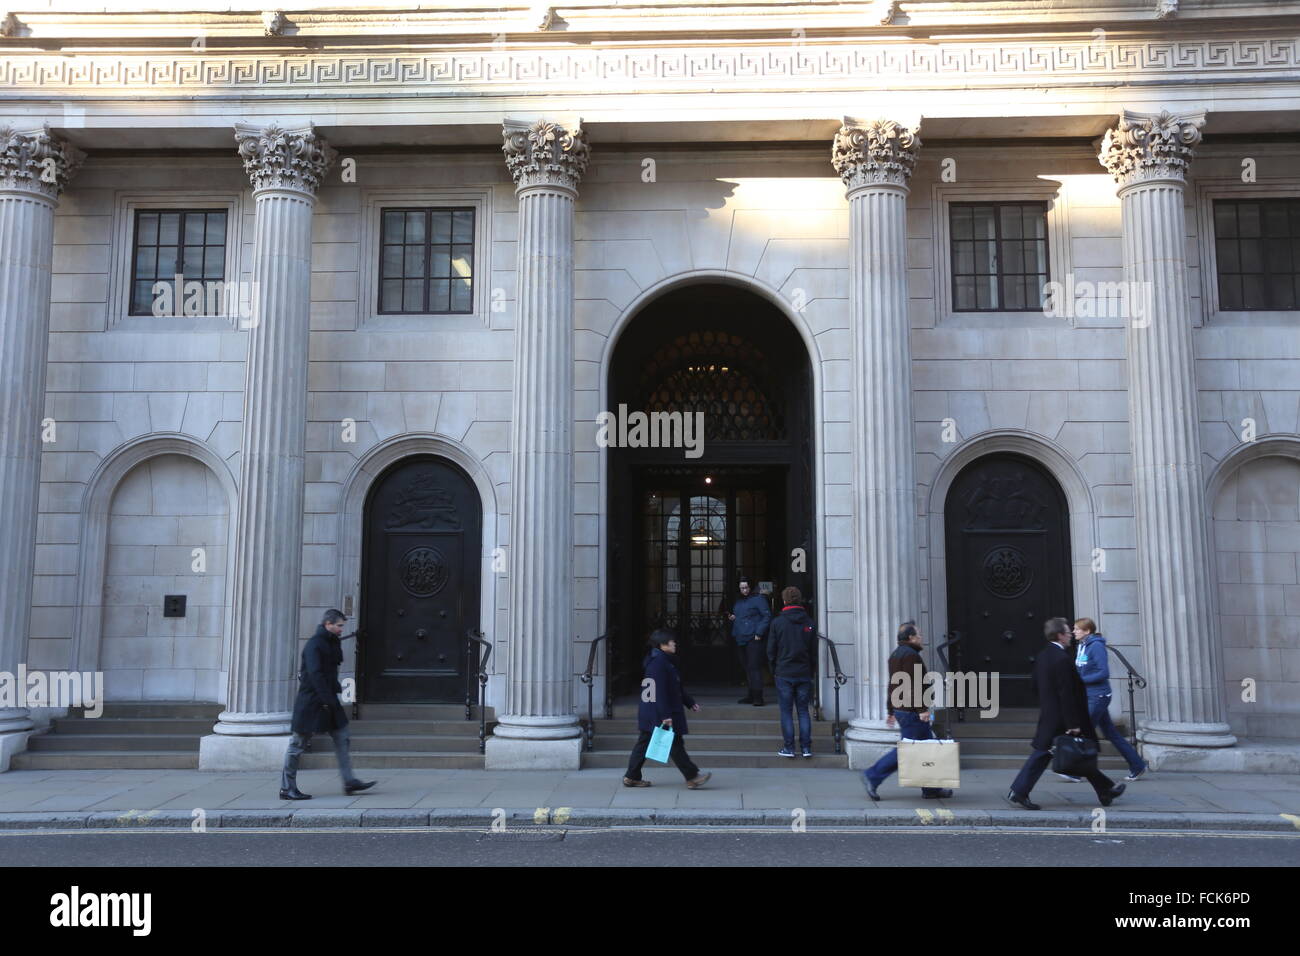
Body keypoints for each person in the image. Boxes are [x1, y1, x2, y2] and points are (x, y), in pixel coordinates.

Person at [1006, 617, 1125, 810]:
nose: (1071, 636)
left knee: (1075, 754)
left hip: (1052, 714)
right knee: (1049, 754)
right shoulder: (1061, 659)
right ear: (1060, 635)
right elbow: (1066, 694)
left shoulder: (1044, 655)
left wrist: (1047, 702)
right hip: (1063, 717)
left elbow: (1034, 684)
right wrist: (1072, 723)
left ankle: (1105, 789)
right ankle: (1019, 791)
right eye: (1068, 633)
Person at [279, 609, 376, 800]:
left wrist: (333, 694)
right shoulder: (315, 645)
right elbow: (315, 675)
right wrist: (327, 699)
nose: (341, 629)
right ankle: (286, 788)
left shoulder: (331, 642)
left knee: (342, 737)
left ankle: (349, 781)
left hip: (328, 701)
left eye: (342, 626)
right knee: (297, 745)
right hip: (312, 703)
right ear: (328, 624)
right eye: (339, 625)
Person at [862, 621, 953, 800]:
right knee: (908, 750)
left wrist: (890, 710)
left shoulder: (896, 655)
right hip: (912, 711)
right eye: (919, 635)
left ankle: (931, 789)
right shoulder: (911, 656)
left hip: (902, 709)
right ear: (911, 637)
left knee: (924, 749)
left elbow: (894, 684)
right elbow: (915, 684)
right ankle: (873, 775)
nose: (922, 638)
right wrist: (922, 709)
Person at [623, 629, 712, 789]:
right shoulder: (660, 663)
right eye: (671, 641)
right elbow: (661, 692)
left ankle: (632, 776)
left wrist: (689, 702)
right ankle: (692, 777)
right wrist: (665, 715)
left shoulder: (661, 660)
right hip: (658, 712)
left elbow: (674, 687)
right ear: (662, 644)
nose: (674, 643)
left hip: (652, 711)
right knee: (675, 743)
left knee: (644, 743)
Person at [1074, 617, 1148, 781]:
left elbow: (1103, 672)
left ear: (1087, 631)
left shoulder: (1096, 647)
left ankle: (1075, 769)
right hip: (1091, 695)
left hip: (1098, 696)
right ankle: (1137, 765)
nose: (1074, 632)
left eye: (1077, 629)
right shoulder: (1082, 646)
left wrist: (1081, 681)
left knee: (1085, 731)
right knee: (1111, 733)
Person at [766, 586, 816, 758]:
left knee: (786, 711)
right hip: (803, 671)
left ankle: (789, 747)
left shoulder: (777, 622)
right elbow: (813, 651)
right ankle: (806, 748)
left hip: (784, 672)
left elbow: (771, 650)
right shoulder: (809, 622)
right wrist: (812, 670)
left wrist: (774, 669)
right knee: (803, 711)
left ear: (785, 601)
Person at [728, 579, 771, 705]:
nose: (744, 590)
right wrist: (733, 618)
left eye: (746, 587)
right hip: (741, 637)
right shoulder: (739, 601)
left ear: (750, 587)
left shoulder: (759, 599)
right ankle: (751, 695)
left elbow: (767, 616)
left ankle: (758, 697)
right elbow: (742, 616)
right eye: (742, 588)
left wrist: (759, 632)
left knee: (754, 667)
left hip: (753, 637)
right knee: (747, 668)